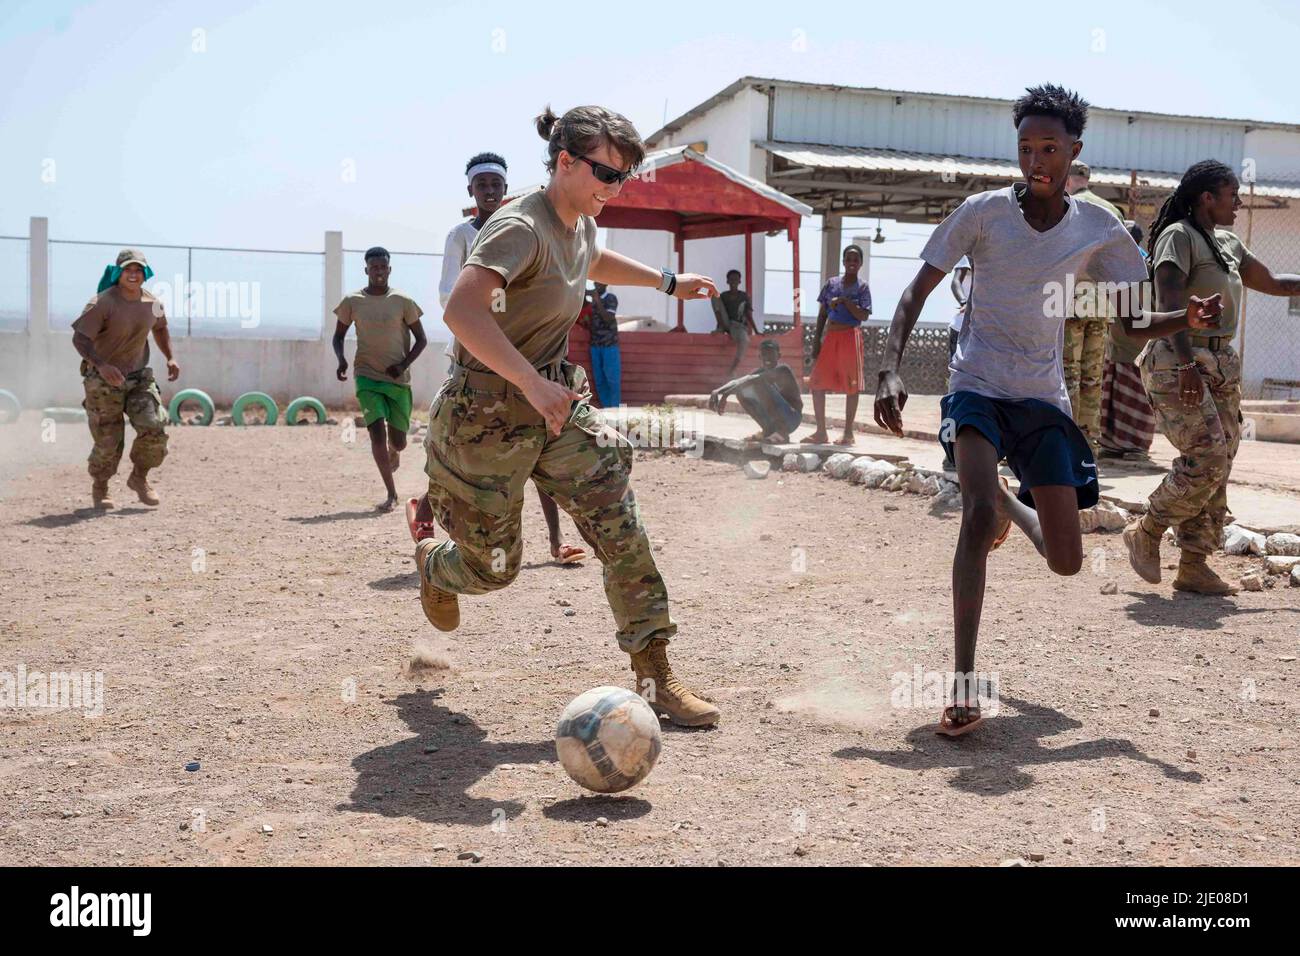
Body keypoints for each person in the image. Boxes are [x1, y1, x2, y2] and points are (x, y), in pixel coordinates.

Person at [874, 84, 1222, 736]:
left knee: (1067, 559)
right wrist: (890, 366)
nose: (1036, 160)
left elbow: (1132, 320)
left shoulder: (1100, 228)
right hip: (975, 388)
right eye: (1027, 147)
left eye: (1050, 149)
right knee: (973, 515)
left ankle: (1008, 500)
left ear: (1074, 153)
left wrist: (1186, 314)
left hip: (1041, 400)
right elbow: (915, 290)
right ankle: (964, 686)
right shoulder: (981, 213)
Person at [412, 104, 721, 727]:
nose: (616, 188)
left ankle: (655, 673)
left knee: (620, 525)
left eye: (625, 178)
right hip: (486, 415)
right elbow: (461, 311)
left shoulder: (578, 220)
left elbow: (588, 260)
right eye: (608, 175)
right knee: (493, 569)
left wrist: (667, 282)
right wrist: (527, 381)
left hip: (554, 409)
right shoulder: (518, 227)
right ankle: (434, 563)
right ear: (564, 162)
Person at [1123, 159, 1300, 595]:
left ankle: (1194, 565)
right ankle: (1146, 529)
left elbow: (1276, 283)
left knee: (1220, 464)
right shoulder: (1178, 237)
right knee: (1207, 459)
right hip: (1179, 359)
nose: (1238, 203)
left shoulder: (1227, 242)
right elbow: (1170, 306)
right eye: (1232, 195)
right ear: (1207, 198)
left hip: (1222, 364)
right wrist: (1185, 365)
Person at [434, 152, 587, 565]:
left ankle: (556, 542)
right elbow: (453, 298)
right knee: (468, 454)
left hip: (531, 358)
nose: (489, 191)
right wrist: (490, 340)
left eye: (495, 185)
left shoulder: (524, 229)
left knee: (542, 444)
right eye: (481, 184)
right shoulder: (462, 237)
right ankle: (443, 532)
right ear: (471, 190)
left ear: (504, 189)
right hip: (481, 363)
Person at [71, 248, 179, 509]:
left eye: (138, 270)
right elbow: (80, 339)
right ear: (119, 273)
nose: (133, 274)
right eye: (128, 269)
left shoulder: (152, 303)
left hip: (139, 376)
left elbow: (161, 329)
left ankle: (139, 478)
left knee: (154, 427)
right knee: (108, 440)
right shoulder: (102, 303)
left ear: (145, 274)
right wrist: (102, 365)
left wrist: (170, 357)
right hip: (102, 379)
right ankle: (101, 487)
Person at [332, 247, 428, 512]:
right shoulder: (352, 301)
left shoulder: (403, 301)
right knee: (376, 435)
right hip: (366, 376)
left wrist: (403, 365)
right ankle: (391, 493)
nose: (378, 272)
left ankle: (394, 449)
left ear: (389, 269)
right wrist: (341, 359)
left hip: (397, 380)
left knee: (398, 441)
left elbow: (422, 340)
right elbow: (338, 336)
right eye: (373, 267)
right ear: (366, 270)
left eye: (382, 267)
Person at [1063, 161, 1125, 450]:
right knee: (1093, 378)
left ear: (1067, 179)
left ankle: (1066, 441)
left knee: (1068, 375)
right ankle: (1089, 443)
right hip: (1102, 304)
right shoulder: (1110, 210)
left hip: (1070, 303)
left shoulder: (1068, 207)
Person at [1097, 221, 1158, 461]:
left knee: (1136, 390)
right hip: (1122, 335)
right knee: (1115, 390)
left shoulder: (1140, 263)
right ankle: (1112, 443)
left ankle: (1135, 446)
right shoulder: (1120, 261)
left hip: (1136, 336)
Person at [803, 246, 872, 445]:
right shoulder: (831, 284)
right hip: (830, 336)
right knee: (816, 383)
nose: (851, 262)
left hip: (850, 336)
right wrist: (816, 340)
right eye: (848, 258)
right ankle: (821, 432)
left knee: (852, 386)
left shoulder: (862, 287)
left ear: (860, 264)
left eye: (855, 259)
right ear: (843, 261)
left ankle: (848, 434)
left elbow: (863, 315)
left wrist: (844, 301)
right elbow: (823, 313)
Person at [708, 338, 803, 442]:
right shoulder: (760, 372)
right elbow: (740, 381)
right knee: (741, 392)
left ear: (779, 356)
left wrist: (725, 394)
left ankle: (782, 433)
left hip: (792, 417)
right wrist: (717, 391)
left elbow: (754, 379)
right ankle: (768, 430)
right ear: (759, 357)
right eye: (764, 354)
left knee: (758, 384)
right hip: (777, 418)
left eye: (771, 353)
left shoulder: (783, 369)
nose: (767, 357)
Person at [941, 256, 973, 472]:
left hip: (989, 329)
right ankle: (950, 453)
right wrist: (965, 302)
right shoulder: (970, 248)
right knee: (956, 392)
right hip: (962, 328)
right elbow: (955, 282)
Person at [710, 269, 757, 377]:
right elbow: (719, 310)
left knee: (745, 341)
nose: (733, 281)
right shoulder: (724, 296)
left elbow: (748, 314)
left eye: (736, 279)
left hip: (738, 326)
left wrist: (756, 330)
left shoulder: (744, 296)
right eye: (731, 279)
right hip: (726, 323)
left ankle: (733, 369)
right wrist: (721, 325)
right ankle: (720, 328)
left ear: (739, 281)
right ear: (727, 281)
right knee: (714, 295)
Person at [584, 282, 621, 407]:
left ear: (605, 284)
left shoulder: (611, 298)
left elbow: (608, 318)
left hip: (609, 345)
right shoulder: (592, 301)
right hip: (595, 345)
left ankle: (615, 410)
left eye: (598, 283)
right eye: (595, 283)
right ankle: (606, 409)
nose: (595, 285)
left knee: (612, 380)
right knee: (599, 380)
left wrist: (597, 300)